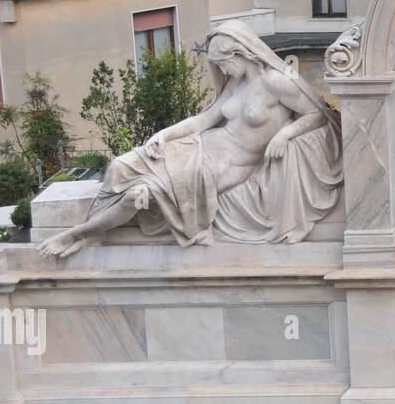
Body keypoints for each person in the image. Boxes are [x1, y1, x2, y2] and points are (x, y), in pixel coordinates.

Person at [39, 20, 342, 258]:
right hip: (197, 147)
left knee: (142, 193)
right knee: (121, 166)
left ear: (241, 54)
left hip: (220, 167)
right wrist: (164, 135)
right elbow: (205, 120)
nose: (220, 70)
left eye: (222, 63)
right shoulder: (235, 84)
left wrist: (286, 134)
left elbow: (319, 114)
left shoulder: (278, 82)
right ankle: (96, 225)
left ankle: (80, 234)